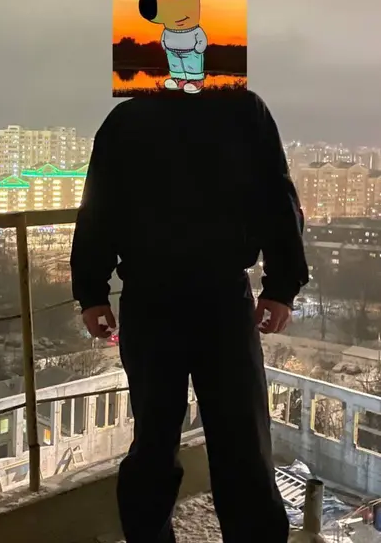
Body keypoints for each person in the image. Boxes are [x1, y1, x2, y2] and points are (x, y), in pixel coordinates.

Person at [70, 90, 309, 543]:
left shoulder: (242, 112)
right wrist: (91, 292)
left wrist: (282, 286)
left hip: (205, 298)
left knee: (238, 439)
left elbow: (275, 197)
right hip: (167, 299)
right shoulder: (132, 120)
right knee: (159, 441)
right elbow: (100, 206)